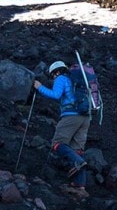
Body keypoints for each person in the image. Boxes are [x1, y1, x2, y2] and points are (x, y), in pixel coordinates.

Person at [33, 60, 90, 198]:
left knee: (57, 144)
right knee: (78, 149)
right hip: (86, 117)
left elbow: (56, 95)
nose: (53, 78)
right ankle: (79, 185)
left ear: (56, 72)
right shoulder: (79, 81)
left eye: (53, 75)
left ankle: (78, 162)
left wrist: (39, 87)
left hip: (71, 115)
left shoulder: (61, 78)